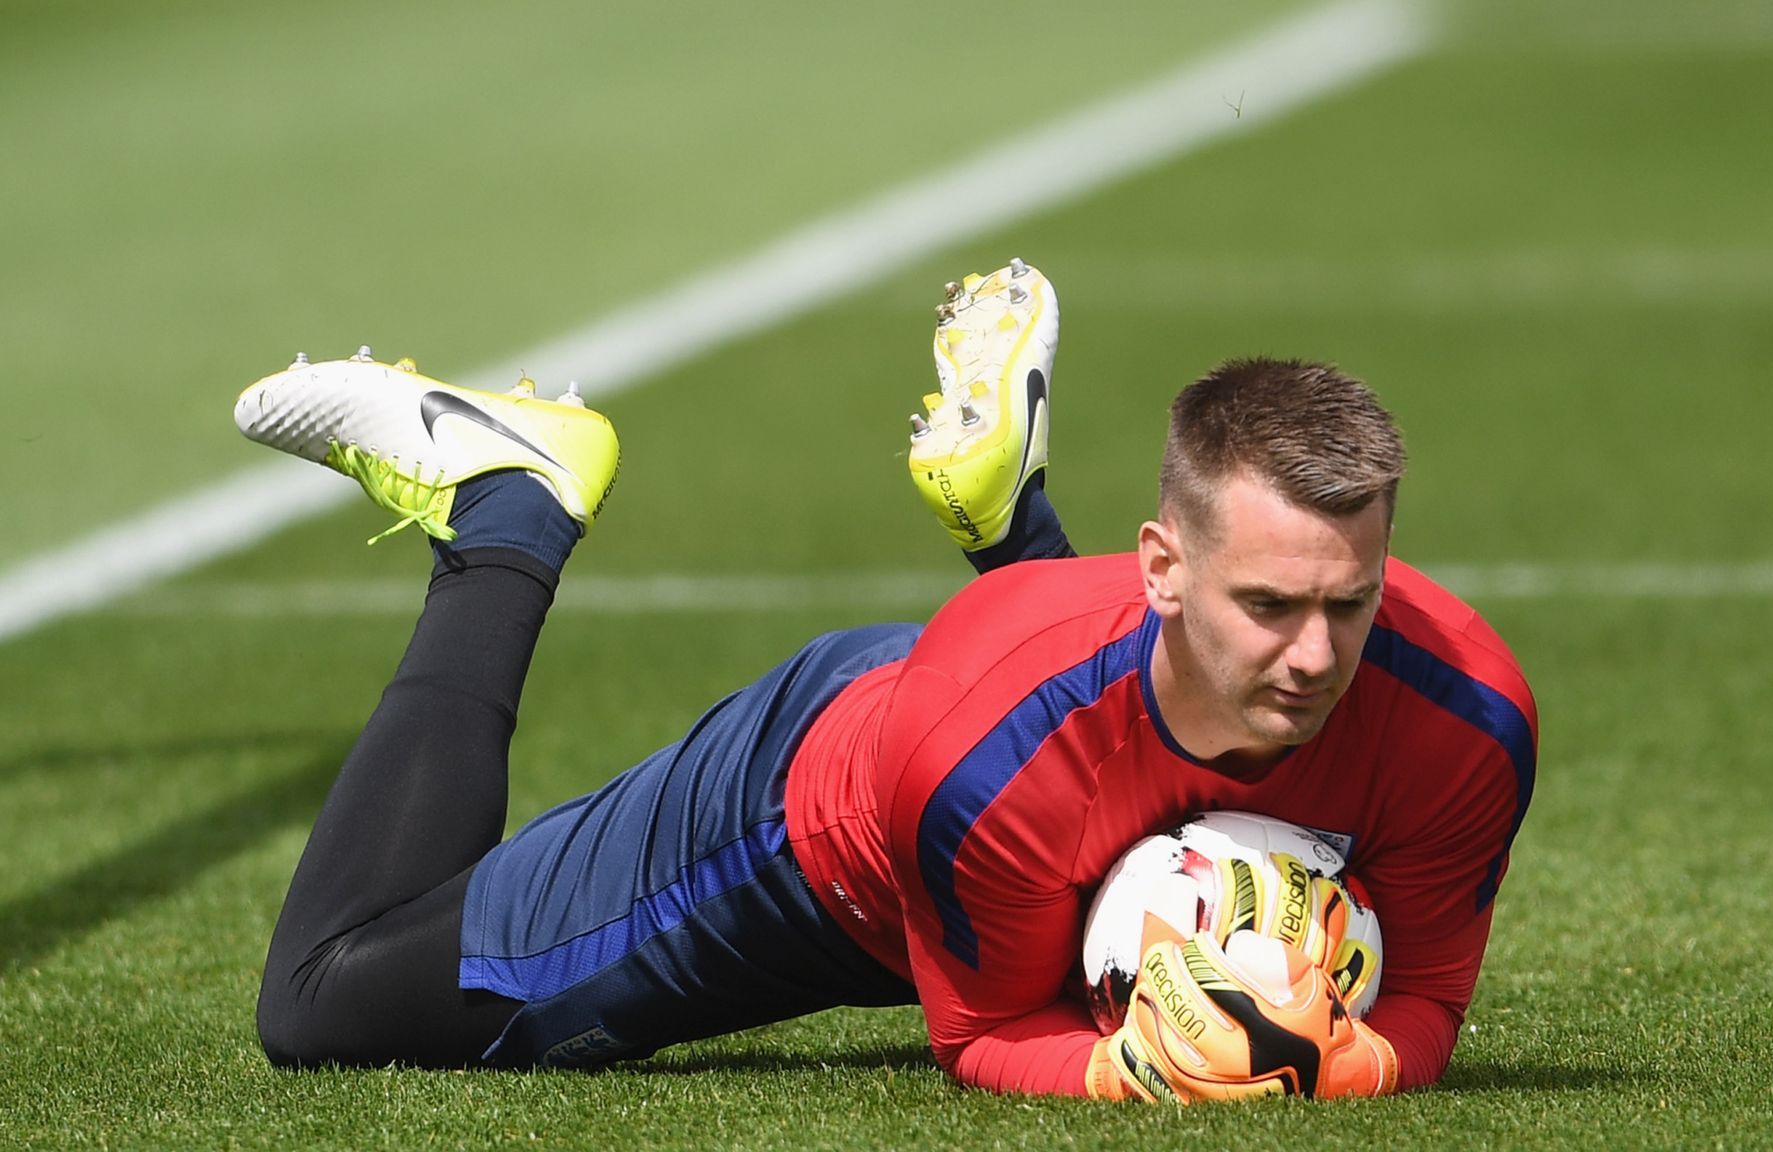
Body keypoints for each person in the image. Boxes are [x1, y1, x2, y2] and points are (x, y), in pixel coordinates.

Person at [237, 260, 1537, 1101]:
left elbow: (1429, 994)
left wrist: (1352, 1060)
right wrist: (1137, 1071)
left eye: (1349, 604)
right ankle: (510, 507)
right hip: (808, 832)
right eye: (1269, 606)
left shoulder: (1468, 718)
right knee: (325, 1001)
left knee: (1090, 730)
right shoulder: (979, 764)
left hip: (1022, 709)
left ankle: (1012, 526)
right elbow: (985, 1032)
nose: (1315, 654)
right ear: (1162, 567)